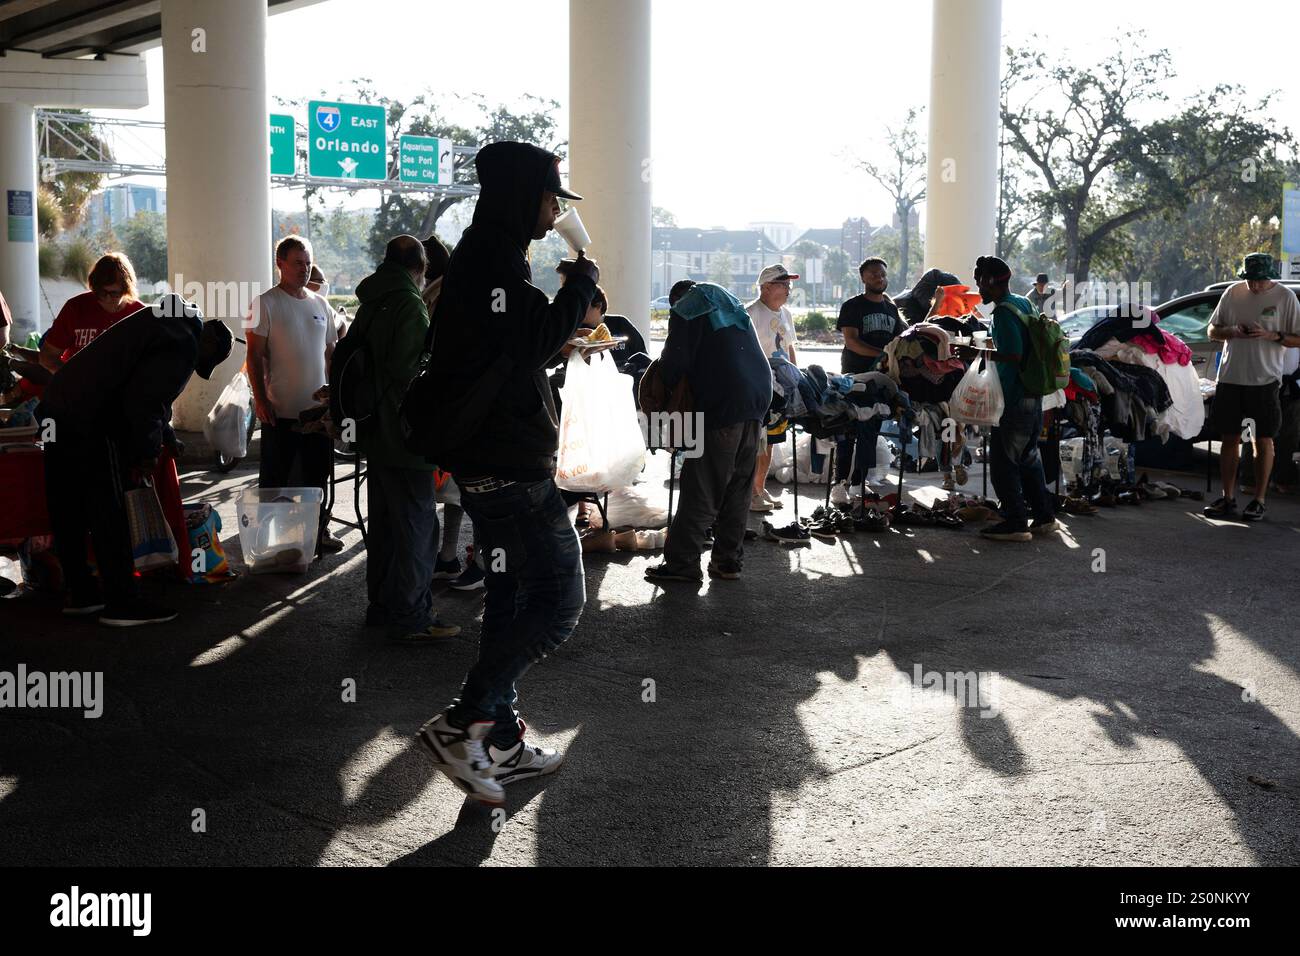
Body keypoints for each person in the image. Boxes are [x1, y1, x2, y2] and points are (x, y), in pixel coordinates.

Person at [414, 141, 598, 806]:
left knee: (513, 599)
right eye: (553, 199)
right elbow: (531, 338)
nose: (557, 211)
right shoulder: (492, 258)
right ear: (527, 196)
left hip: (490, 462)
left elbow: (513, 344)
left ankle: (502, 743)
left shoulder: (487, 254)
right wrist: (580, 285)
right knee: (558, 606)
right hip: (508, 468)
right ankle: (465, 722)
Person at [36, 295, 232, 625]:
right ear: (208, 340)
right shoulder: (183, 339)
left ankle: (82, 594)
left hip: (55, 412)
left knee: (68, 504)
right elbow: (146, 402)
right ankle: (122, 602)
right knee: (106, 509)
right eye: (203, 359)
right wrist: (145, 454)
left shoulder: (162, 323)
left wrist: (165, 436)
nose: (194, 365)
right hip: (89, 419)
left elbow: (148, 391)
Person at [351, 235, 460, 642]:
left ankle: (381, 606)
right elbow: (407, 368)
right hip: (406, 436)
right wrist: (436, 358)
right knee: (418, 529)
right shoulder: (410, 305)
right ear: (419, 270)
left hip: (374, 433)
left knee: (384, 527)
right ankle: (412, 615)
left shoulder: (370, 302)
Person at [645, 279, 772, 583]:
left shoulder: (687, 307)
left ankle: (682, 564)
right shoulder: (731, 308)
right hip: (756, 400)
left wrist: (657, 383)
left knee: (702, 485)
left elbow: (675, 360)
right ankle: (727, 562)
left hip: (723, 404)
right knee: (738, 488)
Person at [245, 236, 343, 554]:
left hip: (317, 414)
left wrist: (335, 400)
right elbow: (255, 356)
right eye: (297, 262)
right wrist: (261, 400)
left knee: (316, 478)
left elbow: (331, 354)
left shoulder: (320, 305)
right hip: (280, 410)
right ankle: (267, 541)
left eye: (307, 262)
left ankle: (317, 532)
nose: (304, 268)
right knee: (276, 480)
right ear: (281, 264)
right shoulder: (264, 303)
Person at [966, 255, 1057, 542]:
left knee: (1004, 463)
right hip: (1032, 394)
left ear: (992, 281)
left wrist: (975, 354)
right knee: (1029, 459)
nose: (978, 286)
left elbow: (1015, 355)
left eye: (980, 280)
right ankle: (1044, 517)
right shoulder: (1022, 302)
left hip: (1014, 396)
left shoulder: (1004, 312)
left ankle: (1016, 522)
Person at [1203, 253, 1300, 521]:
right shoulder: (1232, 293)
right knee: (1229, 438)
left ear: (1269, 276)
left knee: (1264, 439)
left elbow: (1297, 338)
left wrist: (1272, 335)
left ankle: (1259, 499)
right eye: (1249, 279)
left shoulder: (1285, 298)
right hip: (1230, 378)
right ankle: (1228, 497)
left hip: (1265, 380)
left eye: (1259, 280)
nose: (1254, 285)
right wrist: (1231, 330)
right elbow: (1211, 330)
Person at [418, 233, 471, 582]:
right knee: (457, 490)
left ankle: (454, 558)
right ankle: (450, 556)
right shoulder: (454, 291)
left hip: (448, 404)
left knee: (455, 488)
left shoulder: (437, 297)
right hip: (458, 404)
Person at [831, 257, 905, 505]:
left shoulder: (891, 308)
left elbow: (902, 341)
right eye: (873, 273)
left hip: (882, 382)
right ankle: (839, 484)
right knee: (847, 431)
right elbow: (851, 341)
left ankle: (858, 484)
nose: (879, 277)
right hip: (854, 379)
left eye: (882, 274)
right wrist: (882, 354)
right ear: (862, 278)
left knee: (870, 432)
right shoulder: (853, 306)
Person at [746, 265, 798, 513]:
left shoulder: (786, 314)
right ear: (766, 287)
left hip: (781, 387)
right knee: (758, 441)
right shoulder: (751, 313)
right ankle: (750, 492)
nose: (788, 289)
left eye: (789, 284)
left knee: (772, 440)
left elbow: (789, 347)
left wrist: (796, 378)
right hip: (759, 386)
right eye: (783, 284)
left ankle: (760, 486)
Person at [40, 253, 146, 370]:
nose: (107, 298)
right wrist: (72, 379)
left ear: (126, 290)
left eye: (114, 293)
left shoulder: (140, 314)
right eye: (102, 292)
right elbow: (47, 357)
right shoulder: (75, 308)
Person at [1273, 345, 1300, 495]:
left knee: (1289, 436)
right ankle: (1250, 478)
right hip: (1267, 380)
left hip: (1292, 383)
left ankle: (1281, 479)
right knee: (1260, 433)